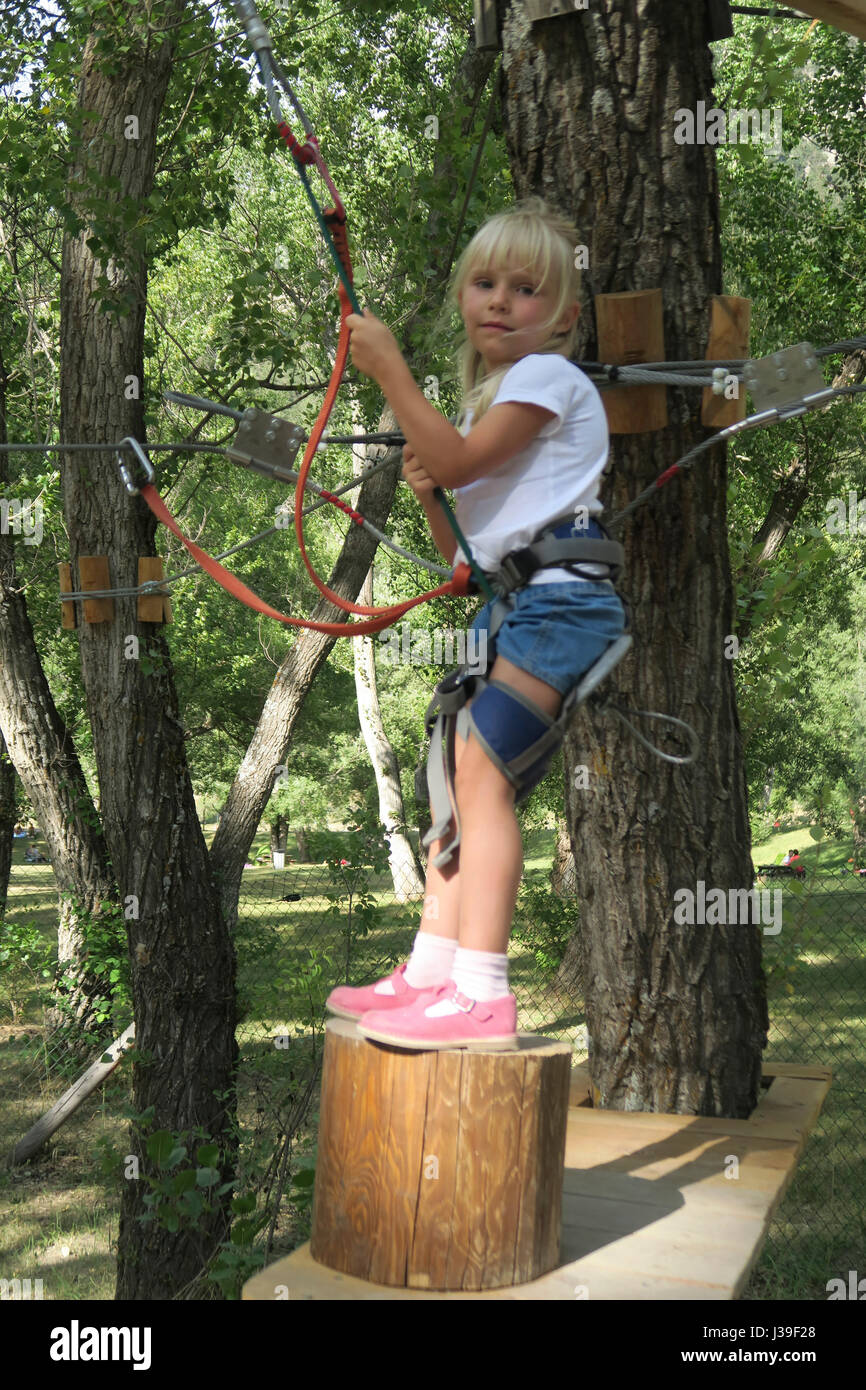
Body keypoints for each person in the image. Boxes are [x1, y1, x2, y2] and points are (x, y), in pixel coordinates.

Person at [325, 197, 625, 1049]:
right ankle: (430, 972)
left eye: (525, 290)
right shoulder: (497, 398)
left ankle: (482, 992)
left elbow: (459, 462)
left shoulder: (546, 379)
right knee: (456, 786)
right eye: (484, 283)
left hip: (562, 603)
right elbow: (464, 562)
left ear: (564, 316)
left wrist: (387, 368)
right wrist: (429, 496)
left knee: (483, 780)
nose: (499, 301)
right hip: (520, 601)